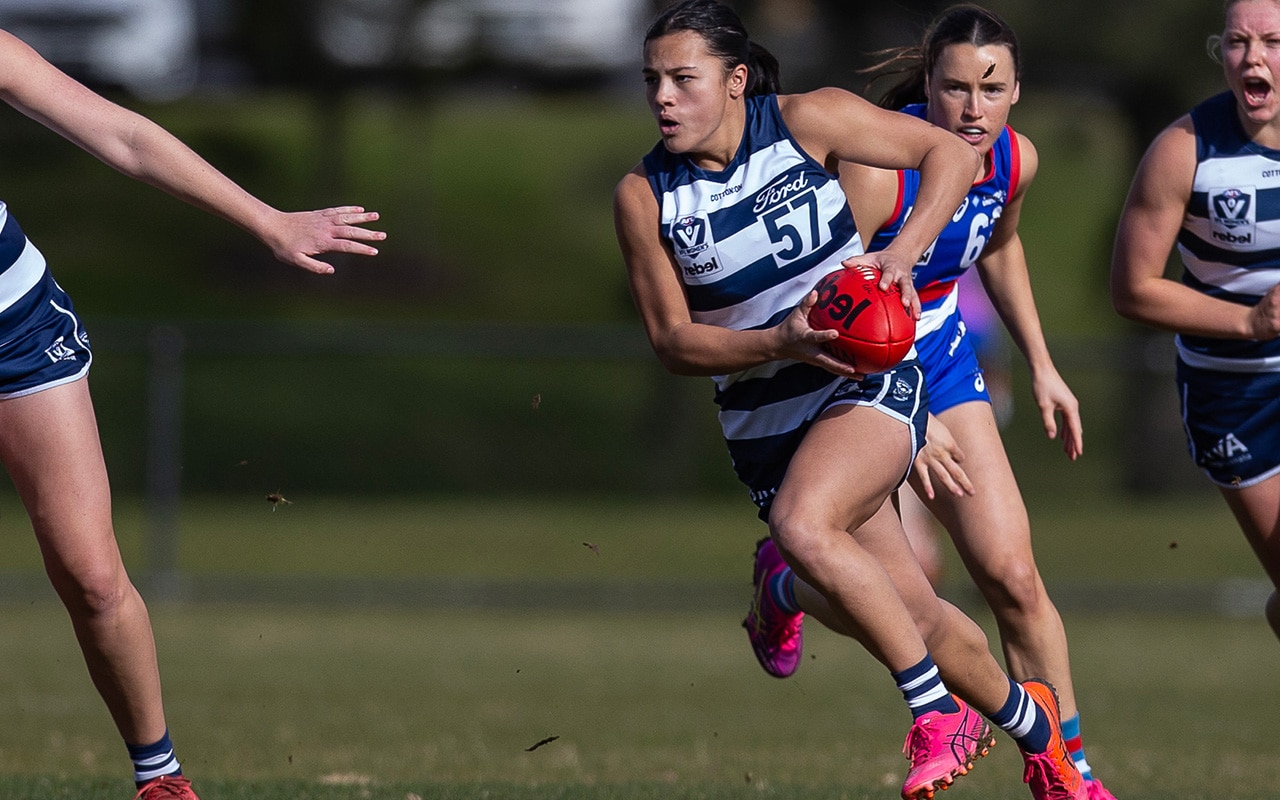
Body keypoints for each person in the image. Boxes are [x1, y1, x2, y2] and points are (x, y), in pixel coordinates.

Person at [613, 2, 1085, 798]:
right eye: (652, 80)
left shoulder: (811, 121)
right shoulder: (643, 195)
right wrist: (776, 342)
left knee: (810, 526)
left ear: (734, 82)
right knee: (915, 613)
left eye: (682, 80)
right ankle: (1040, 735)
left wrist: (898, 261)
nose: (663, 97)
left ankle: (943, 717)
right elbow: (671, 342)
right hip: (765, 420)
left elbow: (951, 160)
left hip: (868, 380)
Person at [740, 6, 1115, 800]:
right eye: (954, 87)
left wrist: (1043, 364)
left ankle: (1069, 774)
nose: (973, 107)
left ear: (1017, 92)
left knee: (1013, 577)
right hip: (857, 371)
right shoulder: (884, 163)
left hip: (943, 358)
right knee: (911, 596)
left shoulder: (1016, 159)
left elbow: (1000, 245)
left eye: (992, 88)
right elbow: (837, 302)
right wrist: (906, 410)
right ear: (931, 88)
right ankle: (786, 585)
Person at [0, 30, 385, 800]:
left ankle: (160, 779)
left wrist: (267, 221)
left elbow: (125, 135)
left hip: (14, 324)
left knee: (91, 574)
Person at [1111, 0, 1280, 649]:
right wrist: (1249, 321)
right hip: (1232, 394)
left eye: (1270, 40)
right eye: (1238, 42)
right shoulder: (1185, 151)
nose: (1253, 57)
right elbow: (1133, 290)